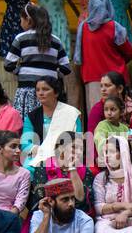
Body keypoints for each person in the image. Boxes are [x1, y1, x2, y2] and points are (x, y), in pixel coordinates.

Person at [21, 76, 85, 206]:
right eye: (38, 90)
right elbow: (25, 143)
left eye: (45, 89)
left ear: (56, 92)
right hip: (39, 156)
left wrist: (60, 154)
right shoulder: (32, 117)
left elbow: (77, 140)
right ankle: (36, 206)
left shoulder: (70, 113)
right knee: (27, 170)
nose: (40, 93)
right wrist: (43, 153)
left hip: (67, 155)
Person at [4, 2, 71, 117]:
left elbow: (8, 64)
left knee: (27, 126)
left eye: (21, 19)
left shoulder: (21, 38)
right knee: (47, 125)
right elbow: (66, 67)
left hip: (26, 91)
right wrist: (53, 76)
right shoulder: (56, 41)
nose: (21, 23)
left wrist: (21, 72)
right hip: (49, 92)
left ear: (28, 20)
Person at [75, 0, 132, 112]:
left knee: (96, 116)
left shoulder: (83, 28)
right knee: (118, 115)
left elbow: (79, 56)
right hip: (115, 79)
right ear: (108, 5)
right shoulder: (114, 27)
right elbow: (129, 53)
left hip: (92, 78)